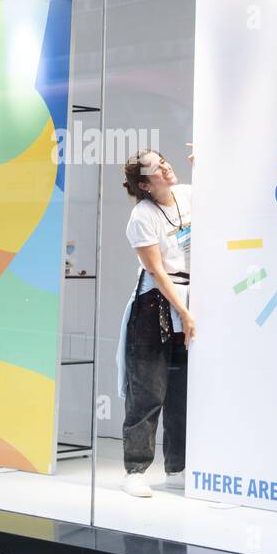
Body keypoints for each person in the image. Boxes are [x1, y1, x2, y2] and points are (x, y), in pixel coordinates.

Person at [118, 150, 193, 498]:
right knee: (147, 390)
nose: (165, 165)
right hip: (155, 304)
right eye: (154, 166)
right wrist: (185, 312)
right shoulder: (142, 216)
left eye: (163, 159)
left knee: (181, 391)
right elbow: (158, 272)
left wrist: (204, 162)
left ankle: (176, 467)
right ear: (145, 184)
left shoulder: (188, 195)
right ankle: (135, 469)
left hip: (191, 296)